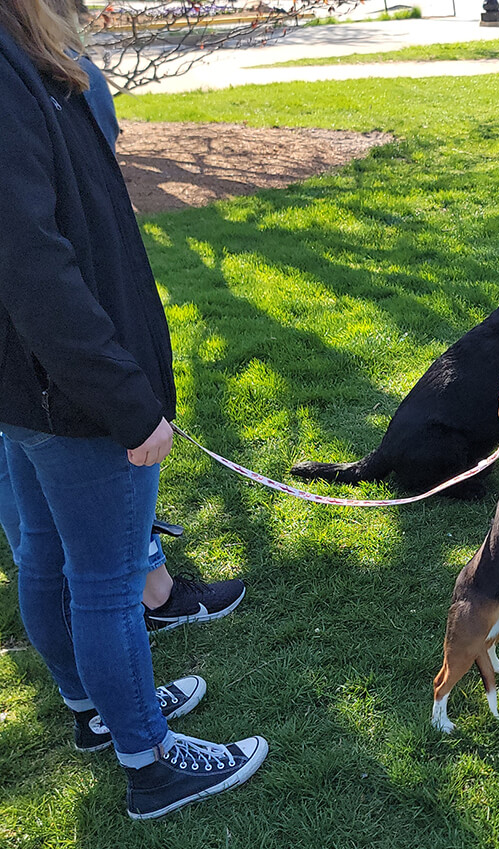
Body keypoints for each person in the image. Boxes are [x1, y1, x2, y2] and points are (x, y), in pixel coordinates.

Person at [0, 0, 266, 820]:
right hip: (68, 393)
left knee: (49, 559)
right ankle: (149, 757)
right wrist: (125, 398)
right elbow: (32, 265)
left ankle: (96, 710)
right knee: (107, 584)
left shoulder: (25, 52)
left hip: (33, 389)